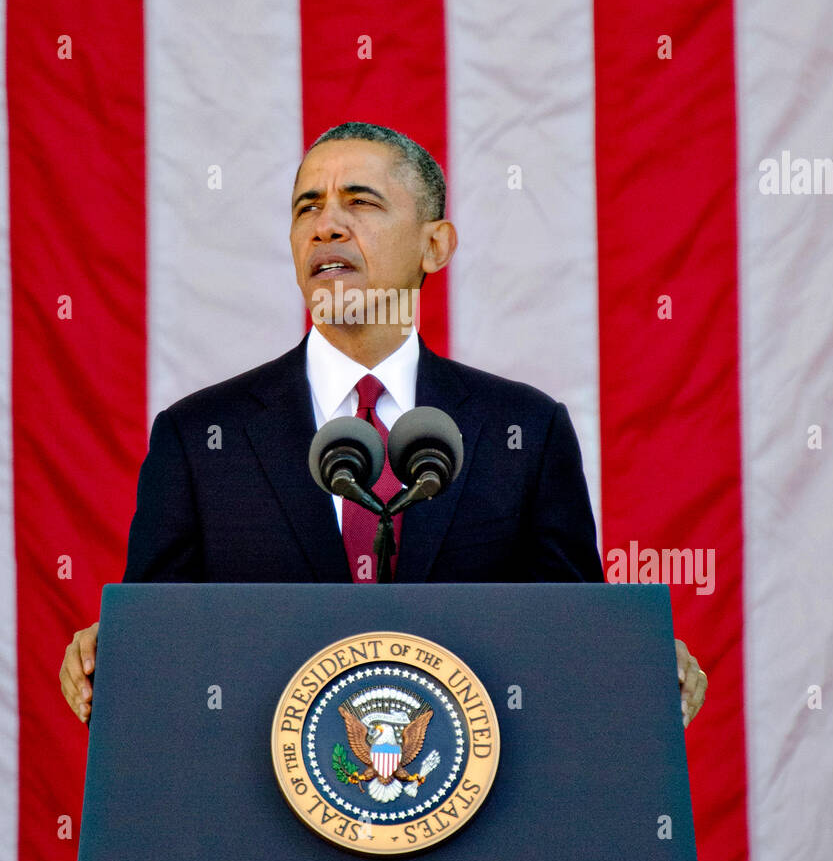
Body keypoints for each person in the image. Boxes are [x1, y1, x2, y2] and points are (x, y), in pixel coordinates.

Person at [59, 123, 707, 726]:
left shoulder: (524, 432)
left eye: (360, 203)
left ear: (435, 245)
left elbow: (572, 640)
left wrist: (636, 662)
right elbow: (159, 646)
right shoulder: (200, 438)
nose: (326, 225)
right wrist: (115, 653)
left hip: (470, 827)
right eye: (306, 207)